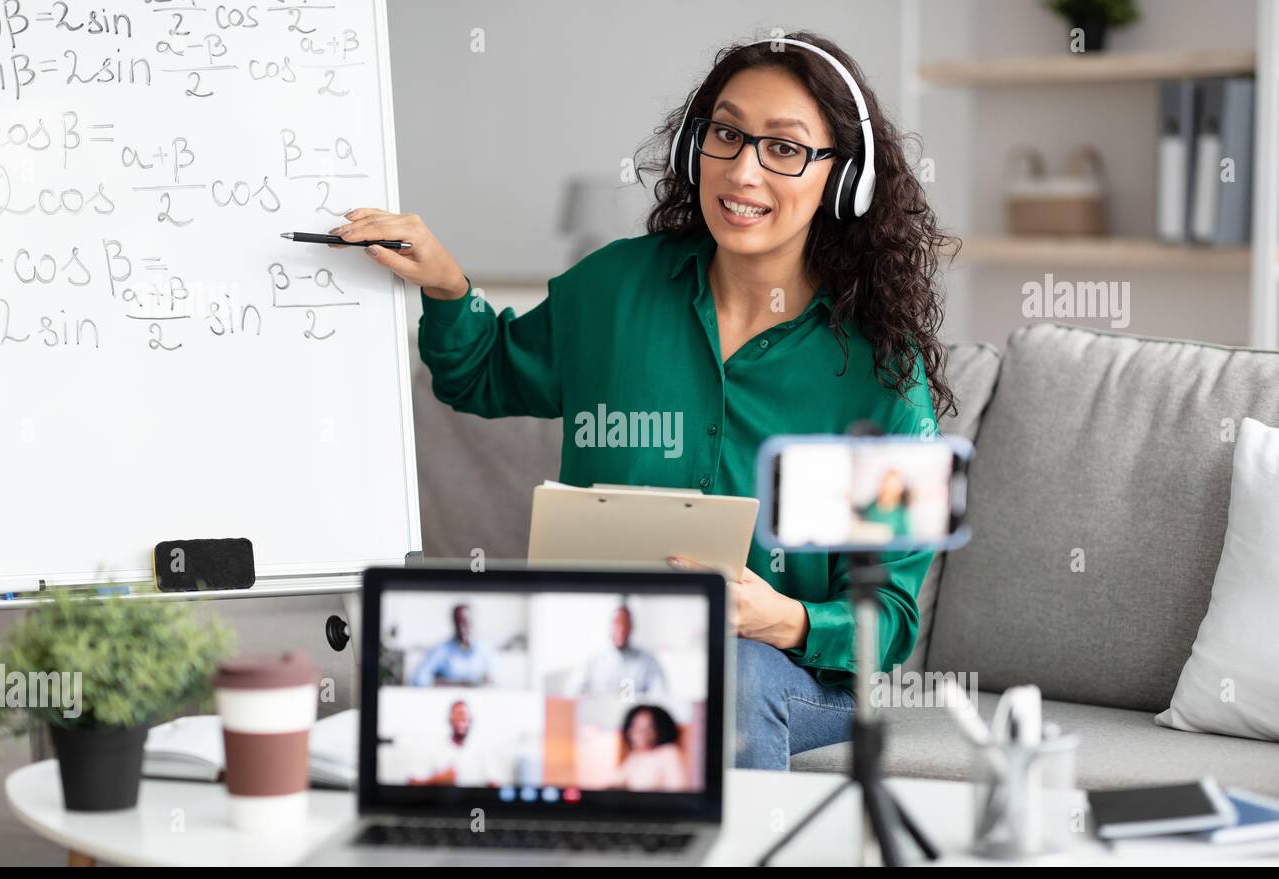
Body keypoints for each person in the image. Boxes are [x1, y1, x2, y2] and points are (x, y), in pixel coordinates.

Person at [332, 32, 957, 770]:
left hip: (790, 675)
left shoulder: (883, 374)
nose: (743, 170)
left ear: (842, 178)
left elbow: (889, 621)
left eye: (784, 149)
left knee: (731, 673)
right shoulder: (616, 289)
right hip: (605, 649)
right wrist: (444, 285)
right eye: (726, 134)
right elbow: (482, 374)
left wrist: (782, 618)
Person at [563, 604, 668, 698]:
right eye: (617, 624)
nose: (621, 629)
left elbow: (660, 695)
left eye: (625, 625)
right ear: (610, 627)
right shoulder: (594, 659)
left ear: (632, 628)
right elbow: (571, 692)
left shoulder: (647, 660)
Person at [410, 700, 500, 787]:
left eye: (465, 716)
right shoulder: (434, 748)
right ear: (450, 719)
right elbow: (412, 782)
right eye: (458, 715)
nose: (462, 719)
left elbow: (495, 784)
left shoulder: (482, 751)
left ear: (470, 720)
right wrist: (437, 780)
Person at [610, 705, 689, 792]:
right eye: (635, 726)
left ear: (661, 729)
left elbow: (680, 792)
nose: (641, 732)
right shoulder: (634, 755)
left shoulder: (669, 753)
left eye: (649, 727)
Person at [410, 604, 492, 687]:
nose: (463, 628)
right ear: (454, 623)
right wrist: (453, 684)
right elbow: (419, 679)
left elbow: (497, 681)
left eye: (466, 622)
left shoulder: (484, 650)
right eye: (459, 622)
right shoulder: (441, 650)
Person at [858, 468, 911, 539]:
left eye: (892, 484)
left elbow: (905, 543)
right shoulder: (871, 507)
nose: (887, 487)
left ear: (899, 489)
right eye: (885, 481)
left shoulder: (900, 515)